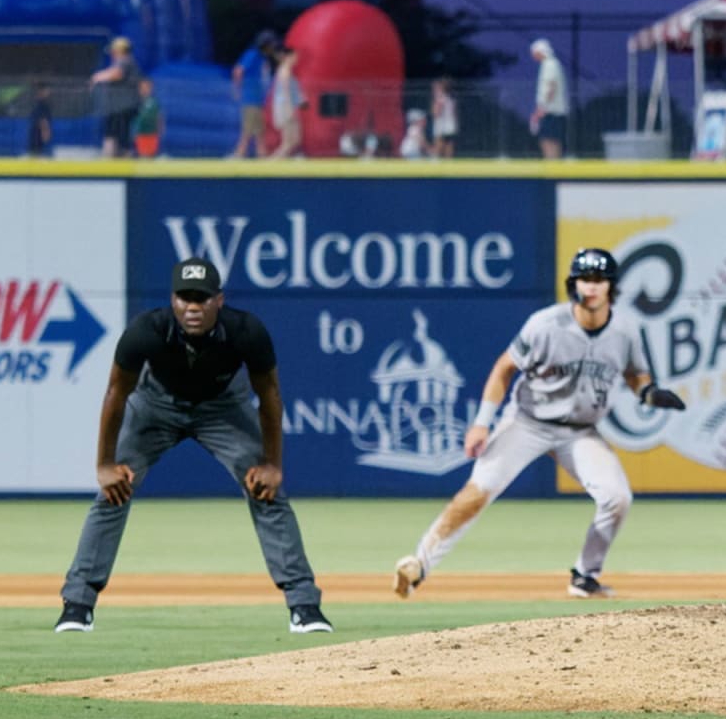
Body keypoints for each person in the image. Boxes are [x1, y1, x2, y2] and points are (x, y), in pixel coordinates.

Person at [54, 258, 332, 635]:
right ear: (172, 300)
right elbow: (116, 395)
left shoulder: (245, 331)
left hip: (224, 408)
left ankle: (304, 606)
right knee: (114, 490)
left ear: (219, 300)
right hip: (155, 406)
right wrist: (104, 464)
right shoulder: (147, 331)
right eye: (184, 298)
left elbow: (270, 397)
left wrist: (272, 464)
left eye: (201, 298)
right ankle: (77, 604)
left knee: (266, 490)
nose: (192, 307)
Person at [393, 248, 686, 600]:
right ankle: (419, 566)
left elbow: (635, 373)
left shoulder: (624, 330)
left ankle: (585, 576)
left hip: (580, 431)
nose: (590, 287)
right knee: (477, 491)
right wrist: (482, 423)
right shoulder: (546, 324)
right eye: (583, 279)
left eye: (598, 280)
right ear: (573, 284)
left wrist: (649, 393)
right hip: (527, 422)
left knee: (616, 497)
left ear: (611, 287)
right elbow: (504, 368)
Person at [89, 36, 140, 158]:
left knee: (120, 133)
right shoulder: (123, 62)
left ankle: (120, 157)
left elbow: (117, 74)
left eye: (114, 51)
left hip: (124, 106)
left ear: (120, 50)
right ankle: (114, 155)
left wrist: (97, 77)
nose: (112, 54)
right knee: (114, 131)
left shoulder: (126, 60)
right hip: (119, 106)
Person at [231, 30, 278, 158]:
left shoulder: (262, 58)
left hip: (257, 98)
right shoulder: (252, 54)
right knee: (249, 128)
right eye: (271, 45)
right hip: (250, 97)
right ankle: (239, 153)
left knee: (258, 129)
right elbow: (238, 70)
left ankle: (261, 153)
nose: (273, 48)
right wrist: (237, 89)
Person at [529, 38, 568, 159]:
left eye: (534, 53)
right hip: (552, 110)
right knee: (552, 140)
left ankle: (552, 167)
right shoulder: (552, 64)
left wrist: (541, 109)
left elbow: (551, 87)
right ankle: (554, 168)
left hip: (551, 111)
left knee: (548, 141)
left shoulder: (549, 64)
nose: (533, 56)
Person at [269, 47, 306, 160]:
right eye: (294, 56)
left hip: (287, 106)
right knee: (288, 141)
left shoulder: (287, 71)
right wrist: (291, 108)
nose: (296, 59)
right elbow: (286, 92)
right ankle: (272, 161)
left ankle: (280, 159)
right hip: (285, 107)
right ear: (288, 57)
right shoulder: (284, 71)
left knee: (295, 139)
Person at [131, 78, 163, 158]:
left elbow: (159, 117)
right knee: (142, 154)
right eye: (142, 88)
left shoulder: (154, 102)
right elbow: (133, 119)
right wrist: (134, 132)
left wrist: (160, 130)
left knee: (151, 155)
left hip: (152, 133)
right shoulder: (137, 102)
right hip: (141, 133)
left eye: (147, 88)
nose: (144, 90)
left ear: (151, 89)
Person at [430, 76, 458, 158]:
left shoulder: (439, 98)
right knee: (449, 144)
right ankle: (448, 165)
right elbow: (454, 113)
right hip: (450, 124)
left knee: (439, 145)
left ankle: (436, 163)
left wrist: (435, 107)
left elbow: (436, 113)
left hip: (441, 125)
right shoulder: (450, 99)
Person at [27, 82, 52, 157]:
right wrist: (45, 132)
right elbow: (43, 121)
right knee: (36, 154)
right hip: (37, 136)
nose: (48, 92)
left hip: (35, 136)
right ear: (41, 91)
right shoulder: (42, 104)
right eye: (46, 90)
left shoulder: (38, 103)